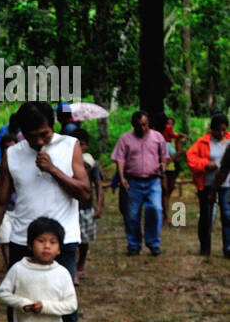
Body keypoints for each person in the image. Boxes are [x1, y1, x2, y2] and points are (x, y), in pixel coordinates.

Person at [0, 100, 89, 322]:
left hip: (61, 243)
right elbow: (1, 201)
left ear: (54, 125)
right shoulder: (12, 154)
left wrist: (53, 170)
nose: (39, 141)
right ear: (22, 132)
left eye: (45, 134)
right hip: (23, 243)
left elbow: (84, 191)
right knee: (21, 308)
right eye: (33, 135)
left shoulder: (70, 146)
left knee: (63, 308)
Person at [111, 110, 169, 255]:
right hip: (133, 181)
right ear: (133, 125)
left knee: (155, 209)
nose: (142, 128)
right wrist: (121, 177)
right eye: (138, 126)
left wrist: (163, 165)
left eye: (144, 125)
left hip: (153, 180)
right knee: (132, 214)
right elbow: (120, 159)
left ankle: (153, 242)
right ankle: (134, 244)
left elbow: (164, 156)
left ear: (148, 124)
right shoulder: (125, 139)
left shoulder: (157, 137)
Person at [186, 113, 230, 258]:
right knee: (206, 216)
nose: (221, 133)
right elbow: (190, 158)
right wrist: (205, 165)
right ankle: (205, 247)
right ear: (212, 129)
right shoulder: (203, 142)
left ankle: (228, 247)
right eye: (218, 130)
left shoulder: (229, 141)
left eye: (224, 130)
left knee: (227, 214)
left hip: (227, 184)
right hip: (207, 184)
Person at [70, 127, 104, 282]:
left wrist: (98, 205)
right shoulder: (66, 161)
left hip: (85, 207)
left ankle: (80, 265)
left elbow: (98, 184)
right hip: (70, 207)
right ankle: (73, 270)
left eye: (82, 145)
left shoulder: (90, 163)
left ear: (87, 146)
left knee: (84, 241)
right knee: (71, 241)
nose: (79, 148)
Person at [160, 116, 185, 226]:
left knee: (169, 189)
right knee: (164, 189)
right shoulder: (160, 137)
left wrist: (170, 160)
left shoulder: (176, 138)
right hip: (163, 167)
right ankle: (165, 215)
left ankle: (164, 211)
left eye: (171, 124)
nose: (169, 126)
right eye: (167, 123)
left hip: (173, 166)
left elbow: (180, 152)